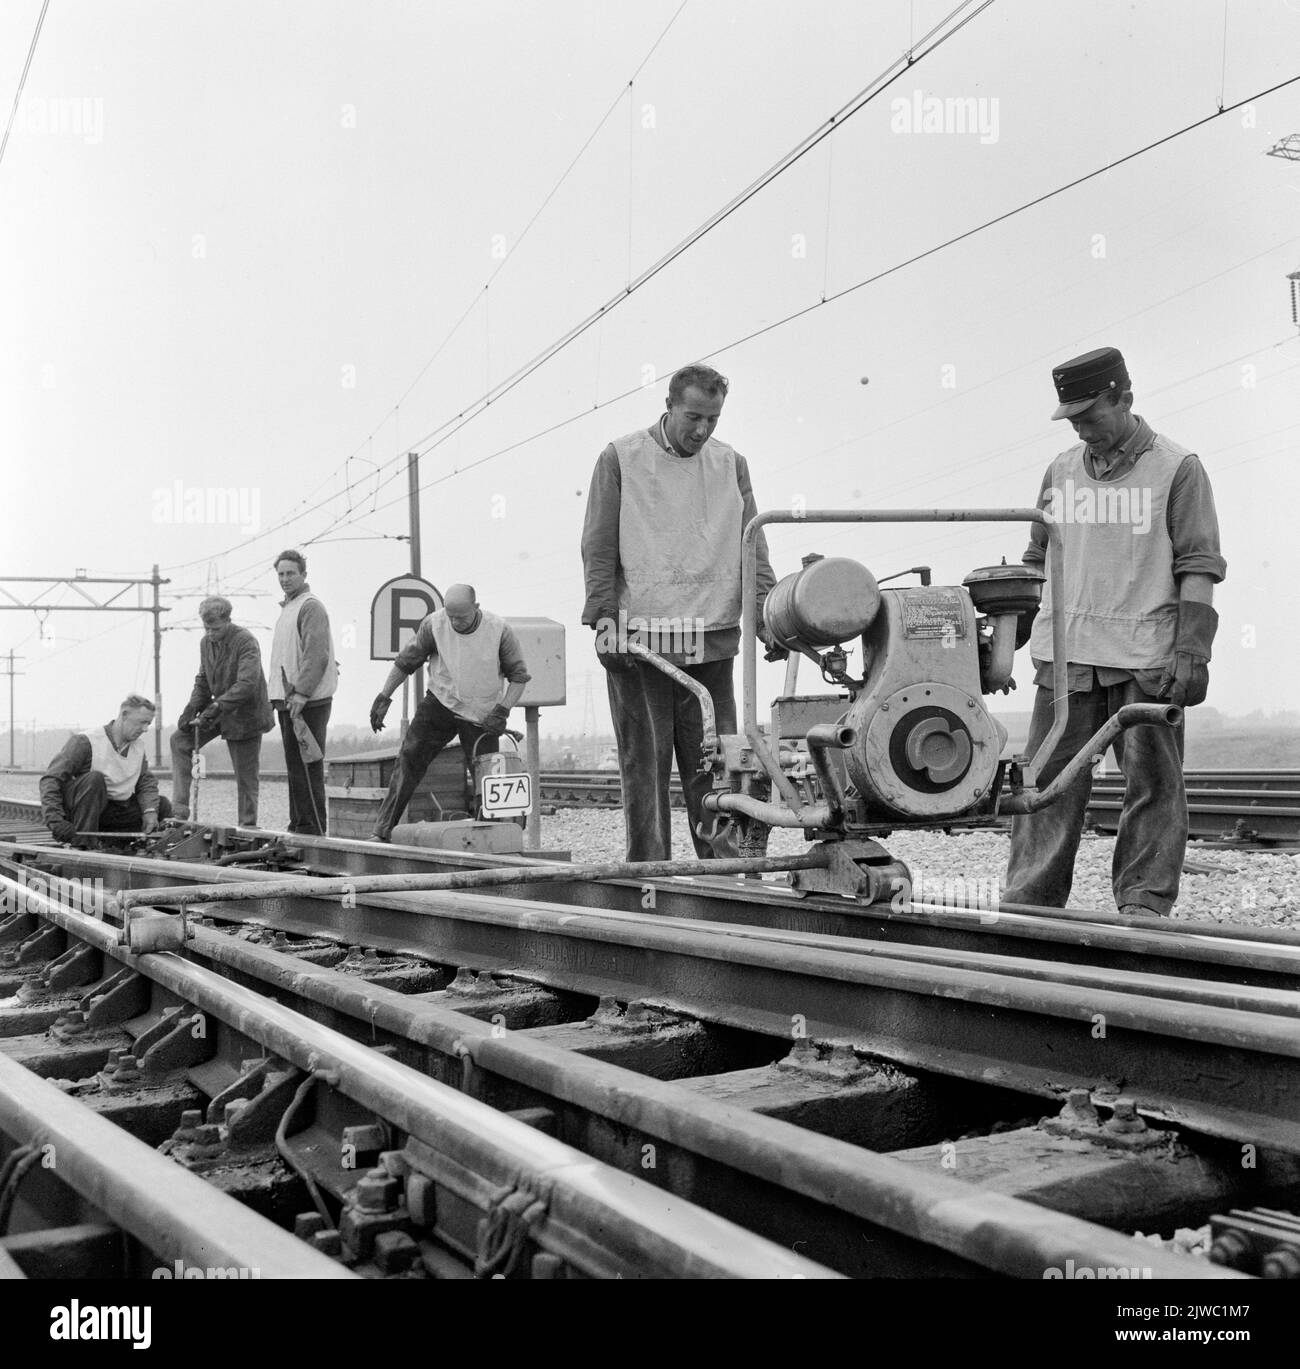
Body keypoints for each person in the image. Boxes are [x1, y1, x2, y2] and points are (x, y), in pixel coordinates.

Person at [1004, 346, 1226, 917]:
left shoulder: (1178, 469)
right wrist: (1009, 632)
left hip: (1145, 657)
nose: (1082, 431)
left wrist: (1192, 652)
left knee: (1152, 783)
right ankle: (1031, 904)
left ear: (1123, 398)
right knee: (1048, 784)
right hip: (1068, 658)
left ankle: (1144, 905)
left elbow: (1197, 566)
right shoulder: (1060, 470)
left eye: (1091, 417)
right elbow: (1038, 557)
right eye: (1072, 420)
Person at [581, 364, 778, 862]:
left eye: (712, 419)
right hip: (641, 641)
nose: (702, 430)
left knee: (715, 765)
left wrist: (766, 607)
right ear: (669, 406)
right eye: (693, 416)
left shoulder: (730, 464)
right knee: (644, 766)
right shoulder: (620, 459)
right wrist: (603, 617)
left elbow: (751, 541)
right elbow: (599, 546)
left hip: (711, 636)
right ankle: (649, 871)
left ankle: (724, 874)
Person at [368, 583, 531, 841]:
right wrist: (384, 696)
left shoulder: (499, 631)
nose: (455, 622)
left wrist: (503, 711)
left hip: (482, 713)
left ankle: (488, 837)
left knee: (485, 776)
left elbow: (519, 677)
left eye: (461, 617)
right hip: (440, 702)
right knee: (409, 757)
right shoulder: (434, 624)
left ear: (476, 608)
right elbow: (405, 662)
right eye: (450, 615)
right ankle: (382, 830)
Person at [171, 596, 274, 827]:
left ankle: (247, 827)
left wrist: (215, 707)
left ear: (228, 620)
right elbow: (204, 679)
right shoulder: (205, 643)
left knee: (246, 777)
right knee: (179, 741)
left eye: (215, 628)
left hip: (246, 716)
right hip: (219, 711)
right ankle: (178, 812)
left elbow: (247, 684)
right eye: (206, 628)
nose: (210, 633)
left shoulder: (246, 641)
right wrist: (192, 709)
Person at [267, 550, 337, 835]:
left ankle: (313, 830)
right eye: (281, 574)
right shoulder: (288, 608)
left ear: (304, 575)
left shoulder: (310, 607)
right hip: (289, 700)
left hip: (307, 701)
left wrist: (301, 693)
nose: (285, 579)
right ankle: (299, 825)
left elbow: (316, 654)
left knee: (308, 768)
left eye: (290, 573)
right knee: (296, 769)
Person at [40, 694, 173, 842]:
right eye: (141, 722)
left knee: (162, 804)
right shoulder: (85, 741)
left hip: (113, 812)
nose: (145, 729)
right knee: (94, 779)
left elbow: (145, 782)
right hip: (81, 813)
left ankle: (149, 844)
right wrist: (56, 821)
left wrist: (150, 811)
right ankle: (83, 844)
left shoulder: (138, 748)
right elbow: (51, 780)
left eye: (148, 723)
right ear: (124, 715)